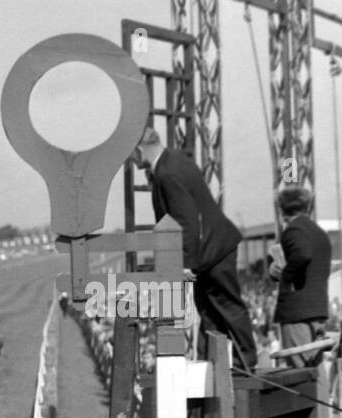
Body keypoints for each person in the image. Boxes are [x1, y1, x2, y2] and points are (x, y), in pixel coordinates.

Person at [131, 127, 256, 371]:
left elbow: (185, 219)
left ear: (138, 150)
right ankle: (214, 362)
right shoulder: (176, 160)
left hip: (212, 251)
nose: (130, 162)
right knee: (210, 311)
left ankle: (245, 360)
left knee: (225, 305)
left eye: (130, 156)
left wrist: (184, 262)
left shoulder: (167, 173)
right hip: (212, 248)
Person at [269, 186, 332, 368]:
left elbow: (302, 254)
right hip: (317, 310)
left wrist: (286, 276)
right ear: (308, 207)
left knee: (300, 370)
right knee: (315, 368)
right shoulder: (319, 233)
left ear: (282, 210)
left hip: (297, 312)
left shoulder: (293, 230)